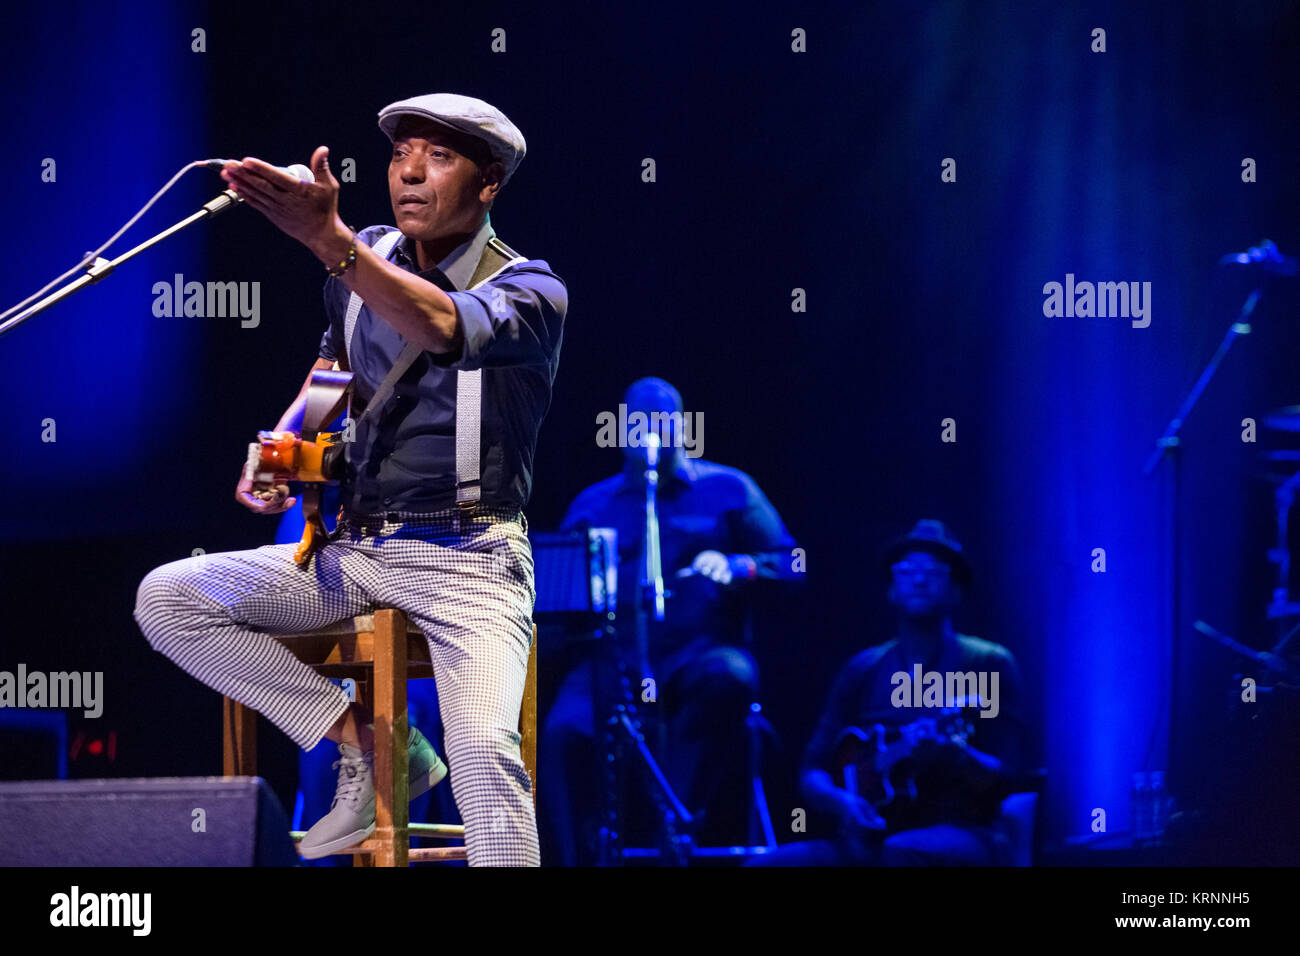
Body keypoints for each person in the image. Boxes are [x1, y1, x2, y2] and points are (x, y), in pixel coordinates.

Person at [133, 93, 566, 866]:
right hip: (356, 550)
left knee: (486, 759)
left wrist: (330, 241)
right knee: (168, 598)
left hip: (471, 559)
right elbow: (332, 368)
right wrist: (282, 440)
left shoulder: (531, 291)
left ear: (489, 181)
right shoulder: (364, 259)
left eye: (437, 156)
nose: (408, 171)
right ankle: (373, 748)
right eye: (401, 153)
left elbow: (436, 327)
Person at [543, 377, 800, 863]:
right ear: (620, 431)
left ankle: (675, 827)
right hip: (611, 663)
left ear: (683, 426)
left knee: (732, 676)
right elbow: (558, 604)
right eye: (637, 422)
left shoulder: (729, 488)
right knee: (563, 732)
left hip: (695, 656)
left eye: (662, 421)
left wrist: (739, 566)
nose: (650, 432)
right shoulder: (592, 504)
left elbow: (795, 563)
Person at [757, 519, 1027, 865]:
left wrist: (956, 757)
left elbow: (1009, 775)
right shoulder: (863, 667)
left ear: (957, 590)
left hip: (959, 829)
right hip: (867, 833)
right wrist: (845, 804)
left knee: (901, 854)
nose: (918, 578)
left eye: (934, 570)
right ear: (890, 590)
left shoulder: (988, 662)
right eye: (906, 569)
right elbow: (813, 770)